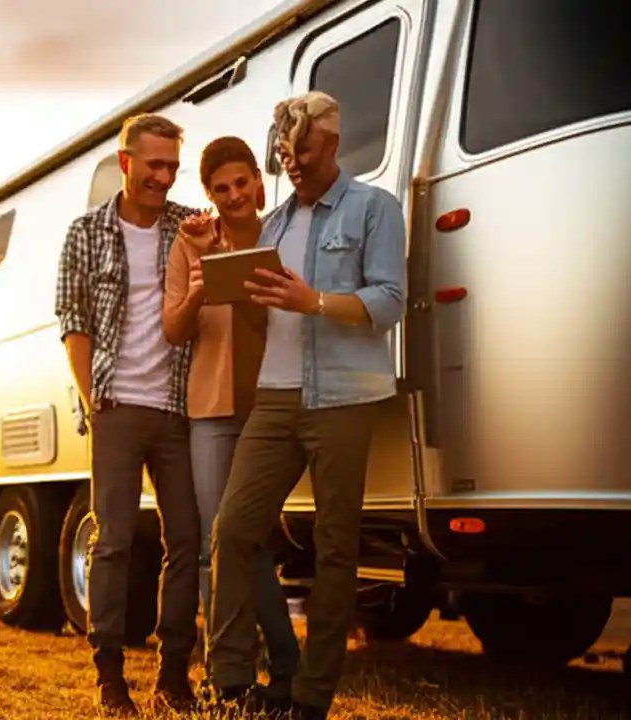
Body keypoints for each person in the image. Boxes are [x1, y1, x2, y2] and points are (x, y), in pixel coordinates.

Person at [205, 91, 407, 720]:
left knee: (334, 547)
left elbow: (390, 302)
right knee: (233, 530)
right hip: (276, 395)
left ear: (334, 143)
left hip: (343, 398)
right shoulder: (275, 225)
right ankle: (232, 683)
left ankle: (310, 699)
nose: (291, 162)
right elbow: (264, 313)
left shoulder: (376, 207)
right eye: (284, 152)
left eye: (304, 150)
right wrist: (228, 277)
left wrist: (313, 301)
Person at [54, 112, 203, 715]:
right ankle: (108, 678)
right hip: (116, 405)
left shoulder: (189, 228)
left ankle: (172, 678)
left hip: (175, 408)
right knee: (112, 541)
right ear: (125, 163)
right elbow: (74, 321)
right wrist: (96, 401)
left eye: (171, 166)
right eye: (153, 166)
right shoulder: (84, 233)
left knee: (186, 541)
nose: (164, 177)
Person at [161, 135, 301, 704]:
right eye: (221, 188)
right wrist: (199, 285)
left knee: (247, 540)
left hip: (272, 407)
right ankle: (237, 678)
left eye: (242, 183)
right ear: (209, 195)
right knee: (218, 544)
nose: (234, 195)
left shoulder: (286, 234)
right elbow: (173, 329)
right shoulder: (191, 242)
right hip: (213, 412)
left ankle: (278, 667)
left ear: (258, 183)